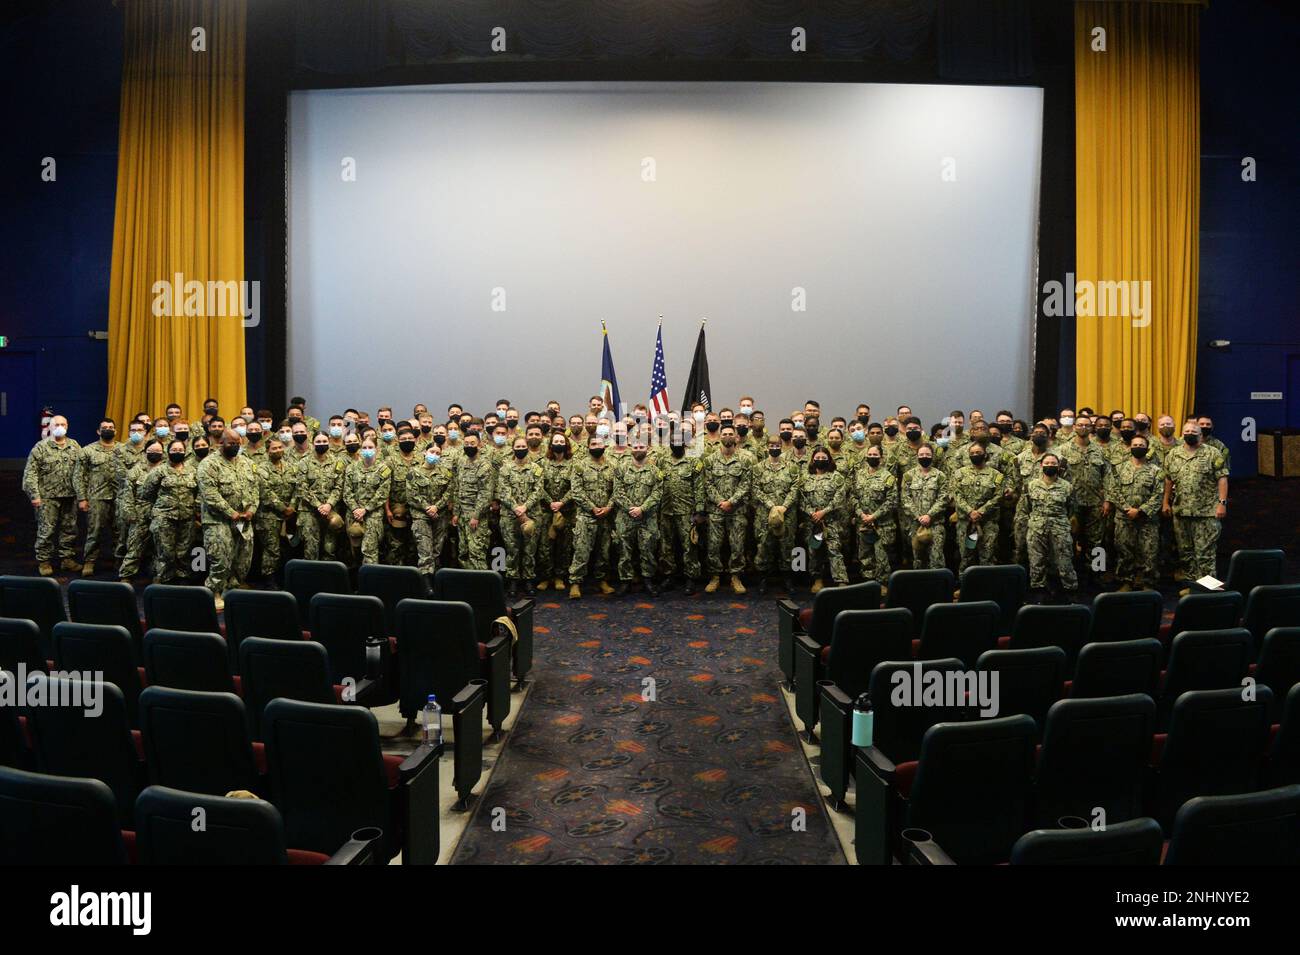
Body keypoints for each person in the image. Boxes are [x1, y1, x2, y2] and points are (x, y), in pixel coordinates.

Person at [1162, 421, 1229, 593]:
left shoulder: (1213, 453)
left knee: (1205, 553)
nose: (1190, 433)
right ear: (1182, 433)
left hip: (1206, 512)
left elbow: (1222, 478)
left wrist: (1222, 503)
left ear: (1201, 435)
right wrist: (1165, 502)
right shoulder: (1173, 454)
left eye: (1194, 431)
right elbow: (1168, 479)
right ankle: (1194, 587)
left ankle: (1209, 589)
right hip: (1181, 511)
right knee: (1186, 553)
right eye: (1187, 431)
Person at [197, 433, 259, 610]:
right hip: (218, 520)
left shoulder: (246, 463)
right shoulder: (208, 464)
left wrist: (251, 510)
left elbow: (255, 488)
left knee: (243, 557)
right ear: (220, 443)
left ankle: (233, 586)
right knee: (221, 557)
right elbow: (210, 494)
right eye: (231, 443)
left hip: (243, 519)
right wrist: (230, 512)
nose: (235, 446)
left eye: (238, 443)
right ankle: (215, 591)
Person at [22, 414, 82, 577]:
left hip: (70, 496)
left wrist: (82, 495)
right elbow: (30, 474)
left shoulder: (74, 446)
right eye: (56, 424)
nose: (59, 427)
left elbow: (81, 471)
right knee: (46, 530)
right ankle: (44, 561)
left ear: (67, 426)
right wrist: (34, 495)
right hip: (47, 497)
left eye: (63, 424)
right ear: (49, 427)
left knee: (69, 529)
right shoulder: (40, 447)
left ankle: (67, 559)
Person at [1104, 434, 1163, 591]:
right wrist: (1126, 509)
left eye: (1141, 445)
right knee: (1124, 551)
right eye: (1135, 445)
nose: (1138, 448)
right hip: (1124, 519)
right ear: (1130, 448)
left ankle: (1148, 583)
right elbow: (1113, 490)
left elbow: (1158, 495)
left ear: (1147, 448)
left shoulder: (1156, 471)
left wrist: (1141, 511)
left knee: (1149, 553)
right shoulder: (1119, 468)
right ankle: (1125, 582)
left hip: (1147, 520)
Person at [699, 424, 750, 594]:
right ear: (720, 437)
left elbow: (746, 484)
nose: (727, 436)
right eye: (725, 434)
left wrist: (732, 501)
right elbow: (707, 484)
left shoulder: (745, 459)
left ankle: (736, 577)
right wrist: (721, 501)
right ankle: (715, 577)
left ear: (736, 437)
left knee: (737, 546)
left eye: (730, 434)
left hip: (737, 510)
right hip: (716, 510)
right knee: (713, 545)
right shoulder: (710, 460)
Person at [141, 438, 199, 583]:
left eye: (180, 450)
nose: (177, 453)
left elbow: (198, 493)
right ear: (168, 452)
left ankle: (182, 576)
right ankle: (163, 577)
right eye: (174, 450)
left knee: (184, 551)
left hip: (187, 517)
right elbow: (147, 492)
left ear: (185, 452)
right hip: (164, 517)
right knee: (165, 551)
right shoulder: (159, 471)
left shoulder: (193, 471)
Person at [613, 436, 663, 596]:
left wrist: (642, 509)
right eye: (635, 447)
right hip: (625, 517)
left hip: (647, 517)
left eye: (642, 447)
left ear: (647, 448)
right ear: (630, 449)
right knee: (624, 550)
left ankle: (648, 580)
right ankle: (625, 581)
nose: (638, 449)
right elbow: (617, 492)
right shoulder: (621, 468)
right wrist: (631, 509)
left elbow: (657, 493)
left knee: (647, 550)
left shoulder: (655, 471)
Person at [568, 435, 616, 598]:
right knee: (581, 550)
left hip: (606, 517)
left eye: (599, 443)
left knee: (604, 551)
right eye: (593, 444)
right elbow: (576, 491)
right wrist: (592, 508)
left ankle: (601, 580)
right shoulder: (580, 465)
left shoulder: (613, 465)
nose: (597, 446)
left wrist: (609, 507)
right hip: (585, 516)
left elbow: (617, 490)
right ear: (588, 446)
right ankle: (575, 582)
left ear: (605, 446)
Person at [751, 433, 800, 594]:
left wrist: (784, 507)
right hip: (764, 515)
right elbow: (755, 489)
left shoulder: (791, 467)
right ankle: (763, 580)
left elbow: (795, 488)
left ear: (782, 446)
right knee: (764, 547)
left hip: (787, 515)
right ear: (766, 448)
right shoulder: (758, 468)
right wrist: (771, 506)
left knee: (787, 547)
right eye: (771, 446)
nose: (774, 448)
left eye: (777, 445)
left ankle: (788, 579)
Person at [1024, 453, 1078, 600]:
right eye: (1046, 463)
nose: (1049, 465)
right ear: (1041, 465)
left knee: (1064, 560)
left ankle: (1070, 591)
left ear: (1059, 466)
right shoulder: (1031, 485)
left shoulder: (1067, 487)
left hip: (1060, 527)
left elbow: (1071, 508)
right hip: (1037, 528)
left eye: (1053, 463)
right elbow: (1026, 507)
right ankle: (1038, 591)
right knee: (1036, 561)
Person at [496, 435, 544, 596]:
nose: (521, 449)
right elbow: (503, 491)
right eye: (518, 446)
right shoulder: (505, 468)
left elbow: (538, 491)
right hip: (509, 515)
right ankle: (513, 580)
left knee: (530, 549)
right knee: (512, 549)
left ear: (528, 448)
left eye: (524, 446)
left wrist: (525, 507)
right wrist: (516, 507)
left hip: (532, 514)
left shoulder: (536, 469)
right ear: (513, 448)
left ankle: (528, 579)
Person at [658, 424, 703, 595]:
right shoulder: (663, 460)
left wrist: (699, 511)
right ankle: (668, 577)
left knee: (689, 547)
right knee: (666, 546)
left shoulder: (693, 461)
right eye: (673, 440)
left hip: (687, 511)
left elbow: (699, 487)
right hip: (666, 510)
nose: (676, 442)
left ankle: (691, 578)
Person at [75, 418, 120, 577]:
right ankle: (89, 562)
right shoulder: (88, 451)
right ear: (98, 431)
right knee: (94, 532)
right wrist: (82, 498)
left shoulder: (122, 450)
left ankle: (119, 560)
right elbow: (79, 476)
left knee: (119, 532)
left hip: (119, 498)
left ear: (115, 430)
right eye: (104, 427)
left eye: (111, 427)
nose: (108, 429)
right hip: (96, 497)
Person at [800, 445, 849, 592]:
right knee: (814, 551)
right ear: (812, 460)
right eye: (817, 458)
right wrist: (812, 513)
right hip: (814, 523)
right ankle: (817, 580)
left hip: (831, 522)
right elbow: (801, 500)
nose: (820, 460)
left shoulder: (837, 477)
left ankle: (841, 581)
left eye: (823, 458)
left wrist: (824, 512)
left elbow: (840, 498)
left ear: (829, 460)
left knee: (834, 550)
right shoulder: (805, 478)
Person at [408, 437, 455, 586]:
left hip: (440, 515)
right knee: (425, 550)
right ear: (424, 452)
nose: (434, 454)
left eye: (437, 452)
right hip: (421, 516)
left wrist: (437, 506)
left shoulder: (445, 473)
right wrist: (428, 508)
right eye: (431, 451)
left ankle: (436, 579)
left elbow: (449, 492)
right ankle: (426, 582)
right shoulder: (413, 472)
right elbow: (411, 495)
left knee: (437, 549)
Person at [951, 439, 1003, 573]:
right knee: (967, 556)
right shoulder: (959, 474)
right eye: (972, 453)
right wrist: (970, 512)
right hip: (968, 525)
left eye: (978, 452)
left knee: (987, 556)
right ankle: (964, 587)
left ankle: (986, 589)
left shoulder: (996, 475)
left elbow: (998, 496)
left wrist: (981, 511)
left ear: (985, 454)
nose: (975, 455)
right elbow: (957, 495)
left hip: (987, 524)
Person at [254, 436, 298, 585]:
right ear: (267, 451)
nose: (278, 450)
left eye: (280, 447)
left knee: (286, 549)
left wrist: (292, 506)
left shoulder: (290, 466)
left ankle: (282, 579)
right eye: (274, 448)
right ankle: (269, 580)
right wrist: (283, 508)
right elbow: (265, 492)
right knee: (272, 550)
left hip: (289, 516)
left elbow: (296, 488)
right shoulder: (261, 469)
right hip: (268, 516)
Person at [342, 436, 392, 567]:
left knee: (369, 551)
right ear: (360, 449)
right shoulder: (351, 468)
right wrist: (355, 509)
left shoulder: (384, 469)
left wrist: (365, 509)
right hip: (353, 515)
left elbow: (382, 494)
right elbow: (347, 492)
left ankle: (370, 584)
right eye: (364, 447)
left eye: (370, 447)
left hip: (372, 515)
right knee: (355, 551)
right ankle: (357, 582)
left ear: (377, 450)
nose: (367, 450)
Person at [852, 442, 896, 586]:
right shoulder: (859, 475)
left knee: (881, 556)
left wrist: (873, 516)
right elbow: (853, 497)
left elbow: (891, 501)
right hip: (863, 523)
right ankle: (868, 583)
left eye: (875, 455)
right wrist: (861, 514)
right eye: (869, 455)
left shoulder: (887, 477)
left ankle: (882, 584)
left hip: (882, 525)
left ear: (881, 458)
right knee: (865, 556)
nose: (872, 457)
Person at [298, 432, 346, 561]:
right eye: (318, 442)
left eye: (324, 441)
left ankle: (327, 577)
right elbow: (302, 488)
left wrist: (329, 504)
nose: (321, 444)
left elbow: (339, 486)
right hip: (309, 510)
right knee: (311, 547)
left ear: (329, 442)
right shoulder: (304, 462)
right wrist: (319, 505)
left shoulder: (337, 462)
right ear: (313, 443)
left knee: (329, 547)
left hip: (331, 510)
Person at [536, 431, 574, 591]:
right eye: (555, 441)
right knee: (545, 547)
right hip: (546, 511)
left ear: (566, 444)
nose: (559, 443)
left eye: (561, 441)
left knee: (563, 546)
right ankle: (546, 577)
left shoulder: (574, 464)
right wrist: (551, 502)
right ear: (551, 445)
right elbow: (538, 485)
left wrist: (561, 503)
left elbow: (576, 487)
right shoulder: (542, 463)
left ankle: (559, 576)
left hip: (567, 512)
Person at [452, 432, 494, 570]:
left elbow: (485, 494)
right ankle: (467, 584)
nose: (469, 446)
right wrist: (456, 513)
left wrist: (476, 516)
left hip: (476, 517)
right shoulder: (461, 462)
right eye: (466, 444)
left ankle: (480, 586)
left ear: (480, 445)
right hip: (462, 515)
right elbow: (458, 488)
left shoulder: (484, 466)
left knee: (477, 552)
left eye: (472, 444)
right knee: (463, 552)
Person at [901, 444, 947, 570]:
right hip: (916, 524)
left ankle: (938, 586)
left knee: (936, 558)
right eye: (921, 455)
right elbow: (905, 498)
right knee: (918, 558)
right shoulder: (908, 476)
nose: (924, 457)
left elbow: (943, 498)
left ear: (932, 456)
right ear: (917, 456)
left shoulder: (940, 476)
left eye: (927, 454)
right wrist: (919, 516)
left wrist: (929, 515)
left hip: (935, 524)